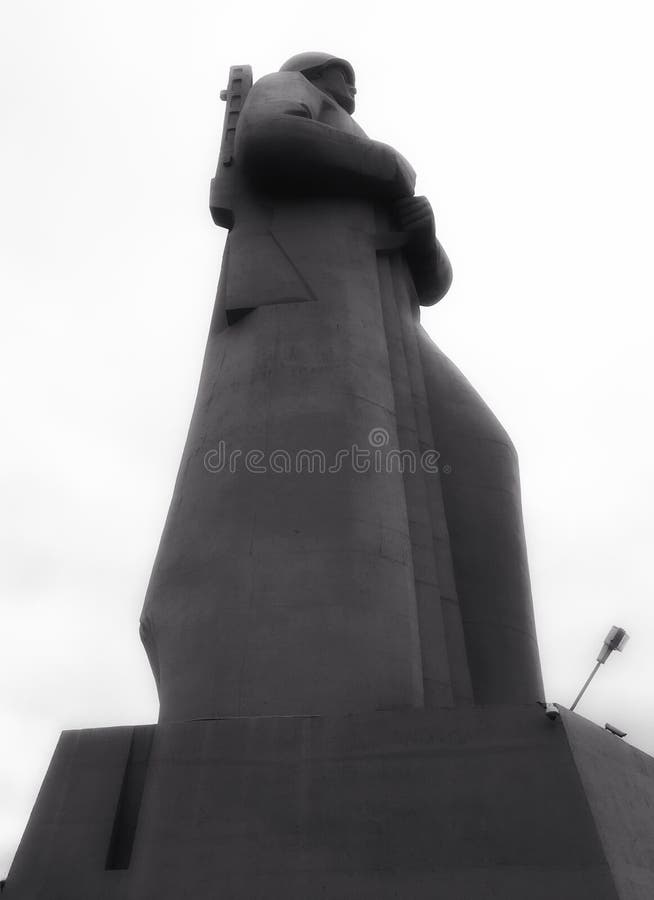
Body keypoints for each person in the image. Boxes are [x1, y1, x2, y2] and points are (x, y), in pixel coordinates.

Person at [140, 53, 543, 723]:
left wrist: (425, 237)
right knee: (347, 469)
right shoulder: (288, 89)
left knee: (481, 450)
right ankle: (341, 680)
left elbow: (432, 286)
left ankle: (507, 709)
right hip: (314, 292)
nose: (353, 85)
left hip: (388, 319)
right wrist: (388, 166)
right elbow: (268, 140)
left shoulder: (349, 146)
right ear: (314, 71)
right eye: (342, 73)